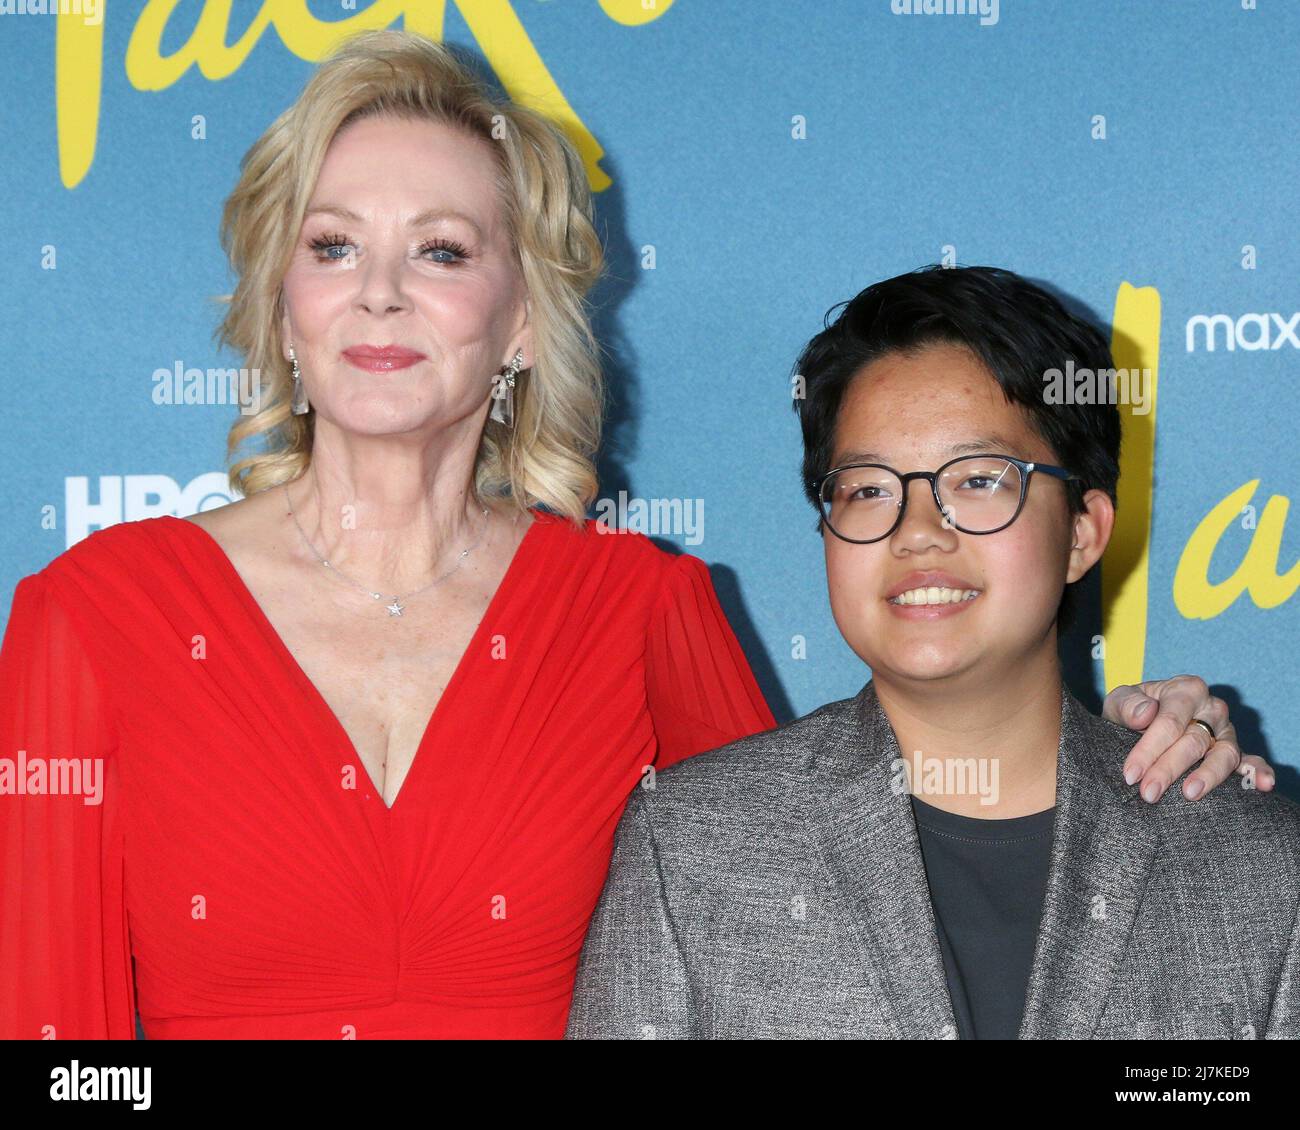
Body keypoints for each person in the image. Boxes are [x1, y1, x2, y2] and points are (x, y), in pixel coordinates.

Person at [0, 29, 1266, 1041]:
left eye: (440, 249)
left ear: (522, 326)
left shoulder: (635, 608)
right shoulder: (94, 615)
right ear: (284, 306)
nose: (379, 290)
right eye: (333, 246)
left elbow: (826, 897)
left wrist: (1128, 757)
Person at [564, 266, 1300, 1040]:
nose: (918, 530)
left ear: (1083, 532)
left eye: (980, 479)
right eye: (870, 489)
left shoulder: (1253, 868)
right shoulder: (692, 844)